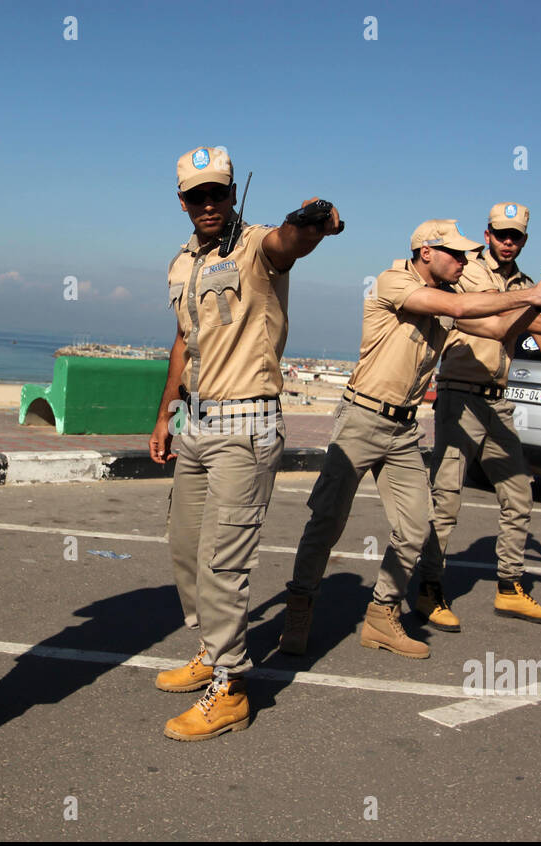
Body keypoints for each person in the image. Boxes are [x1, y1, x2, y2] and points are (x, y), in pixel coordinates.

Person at [279, 220, 541, 658]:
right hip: (362, 417)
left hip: (403, 429)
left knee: (416, 528)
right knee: (326, 524)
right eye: (456, 254)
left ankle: (381, 616)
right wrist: (530, 293)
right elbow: (466, 309)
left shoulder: (450, 300)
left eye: (469, 254)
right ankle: (299, 610)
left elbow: (496, 330)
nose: (466, 261)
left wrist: (537, 306)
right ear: (426, 252)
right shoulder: (394, 280)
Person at [148, 145, 340, 740]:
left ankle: (229, 686)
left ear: (233, 194)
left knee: (222, 560)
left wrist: (312, 222)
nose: (208, 203)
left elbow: (291, 241)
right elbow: (184, 340)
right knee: (185, 550)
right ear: (181, 201)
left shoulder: (257, 245)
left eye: (218, 193)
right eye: (196, 195)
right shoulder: (182, 262)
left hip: (247, 422)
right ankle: (211, 646)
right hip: (197, 422)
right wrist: (166, 414)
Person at [414, 202, 541, 632]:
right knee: (446, 498)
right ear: (486, 234)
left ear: (524, 240)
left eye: (516, 236)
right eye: (501, 233)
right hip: (460, 396)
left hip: (498, 400)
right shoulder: (465, 271)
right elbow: (494, 318)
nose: (508, 242)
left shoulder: (526, 284)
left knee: (519, 493)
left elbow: (536, 342)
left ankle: (509, 587)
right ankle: (428, 588)